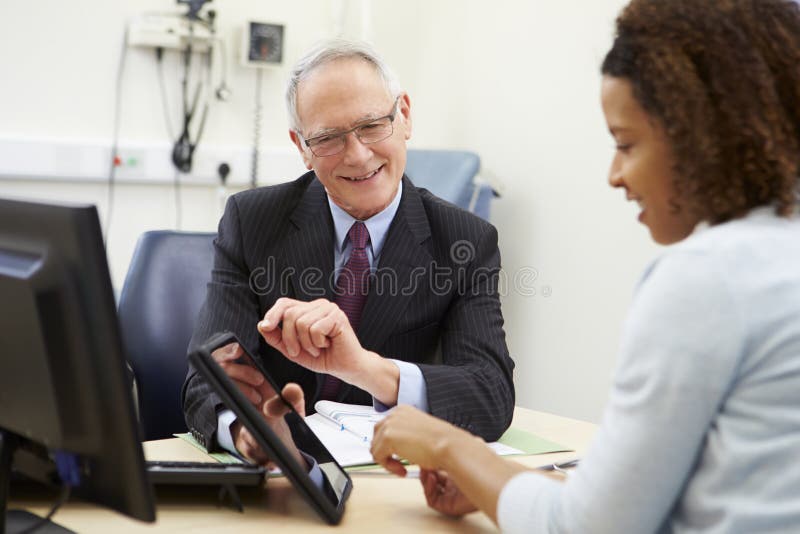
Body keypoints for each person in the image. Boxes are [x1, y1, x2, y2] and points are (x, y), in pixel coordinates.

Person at [369, 1, 800, 531]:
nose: (615, 175)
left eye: (626, 144)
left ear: (700, 134)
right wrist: (491, 481)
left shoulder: (707, 278)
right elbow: (645, 503)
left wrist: (445, 443)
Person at [181, 39, 515, 461]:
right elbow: (205, 379)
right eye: (328, 138)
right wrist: (249, 433)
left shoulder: (465, 239)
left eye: (372, 125)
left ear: (405, 116)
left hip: (394, 484)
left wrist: (364, 368)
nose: (357, 156)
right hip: (287, 479)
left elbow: (491, 394)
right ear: (302, 147)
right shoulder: (252, 222)